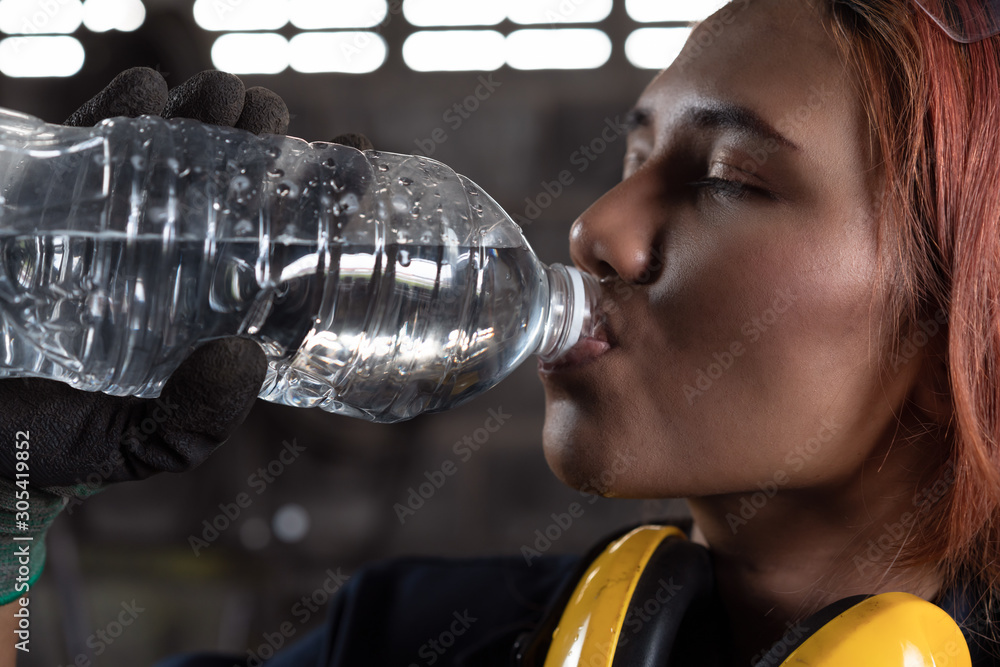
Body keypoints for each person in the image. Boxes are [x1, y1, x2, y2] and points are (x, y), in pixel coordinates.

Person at [3, 0, 1000, 664]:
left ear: (962, 323)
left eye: (729, 179)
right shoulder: (419, 637)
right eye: (633, 157)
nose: (596, 228)